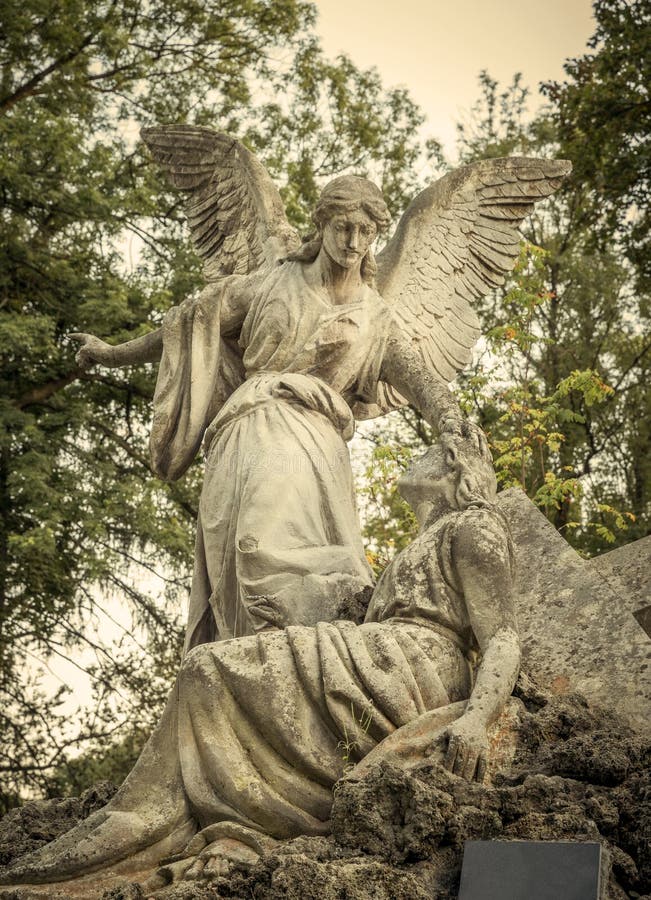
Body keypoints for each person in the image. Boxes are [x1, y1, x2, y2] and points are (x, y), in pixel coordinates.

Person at [0, 427, 520, 891]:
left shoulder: (475, 527)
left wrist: (478, 719)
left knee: (206, 669)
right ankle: (164, 822)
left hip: (410, 668)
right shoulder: (420, 542)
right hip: (372, 657)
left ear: (452, 464)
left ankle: (158, 824)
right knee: (205, 671)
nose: (418, 456)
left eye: (430, 449)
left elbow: (501, 638)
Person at [69, 175, 465, 651]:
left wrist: (452, 423)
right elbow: (190, 324)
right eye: (342, 228)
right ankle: (253, 656)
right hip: (248, 425)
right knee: (240, 546)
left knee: (281, 545)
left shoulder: (376, 318)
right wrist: (110, 354)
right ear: (321, 224)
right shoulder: (274, 282)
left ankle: (300, 650)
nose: (352, 242)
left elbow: (422, 382)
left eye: (364, 232)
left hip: (314, 442)